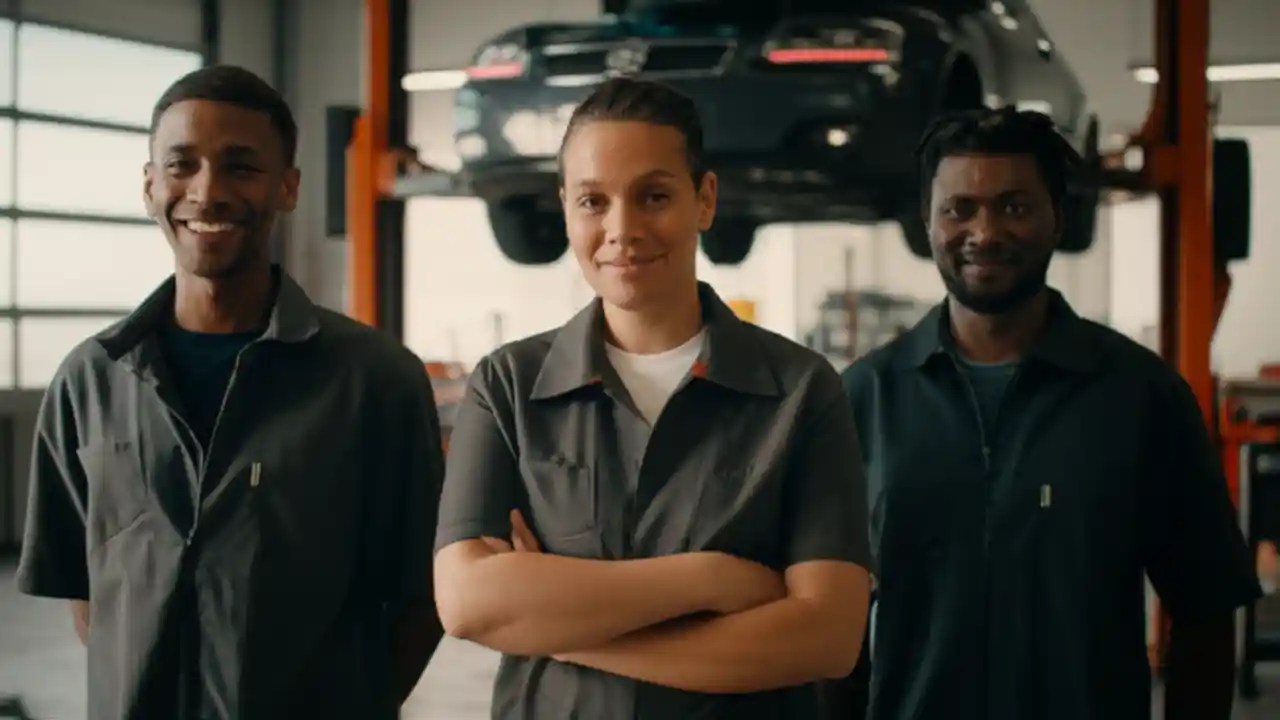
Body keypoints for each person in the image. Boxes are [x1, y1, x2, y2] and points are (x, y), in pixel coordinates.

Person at [432, 77, 873, 718]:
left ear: (705, 199)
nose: (622, 229)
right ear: (565, 208)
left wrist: (554, 630)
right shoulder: (508, 386)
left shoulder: (801, 391)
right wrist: (711, 579)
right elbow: (468, 603)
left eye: (654, 196)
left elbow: (827, 638)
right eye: (593, 201)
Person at [15, 65, 446, 719]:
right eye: (182, 165)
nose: (207, 192)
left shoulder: (376, 381)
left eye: (241, 166)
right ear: (150, 185)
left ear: (288, 187)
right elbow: (89, 596)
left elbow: (423, 596)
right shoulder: (90, 379)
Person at [833, 107, 1262, 720]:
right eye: (959, 209)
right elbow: (833, 626)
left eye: (1014, 206)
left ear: (1058, 218)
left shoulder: (1141, 397)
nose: (984, 231)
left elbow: (1206, 609)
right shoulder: (865, 399)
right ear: (927, 222)